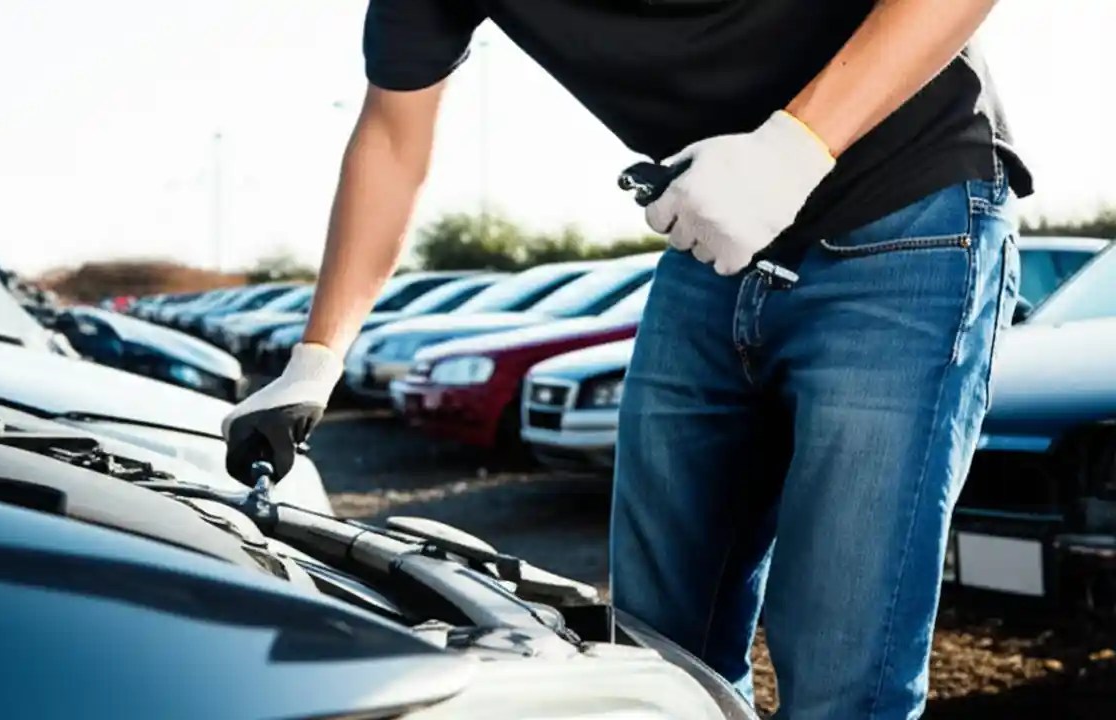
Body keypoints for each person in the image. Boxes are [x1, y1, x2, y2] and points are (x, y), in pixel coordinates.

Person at [223, 2, 1030, 717]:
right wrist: (318, 357)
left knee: (845, 673)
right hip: (713, 240)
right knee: (657, 664)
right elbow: (393, 138)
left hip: (910, 217)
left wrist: (794, 147)